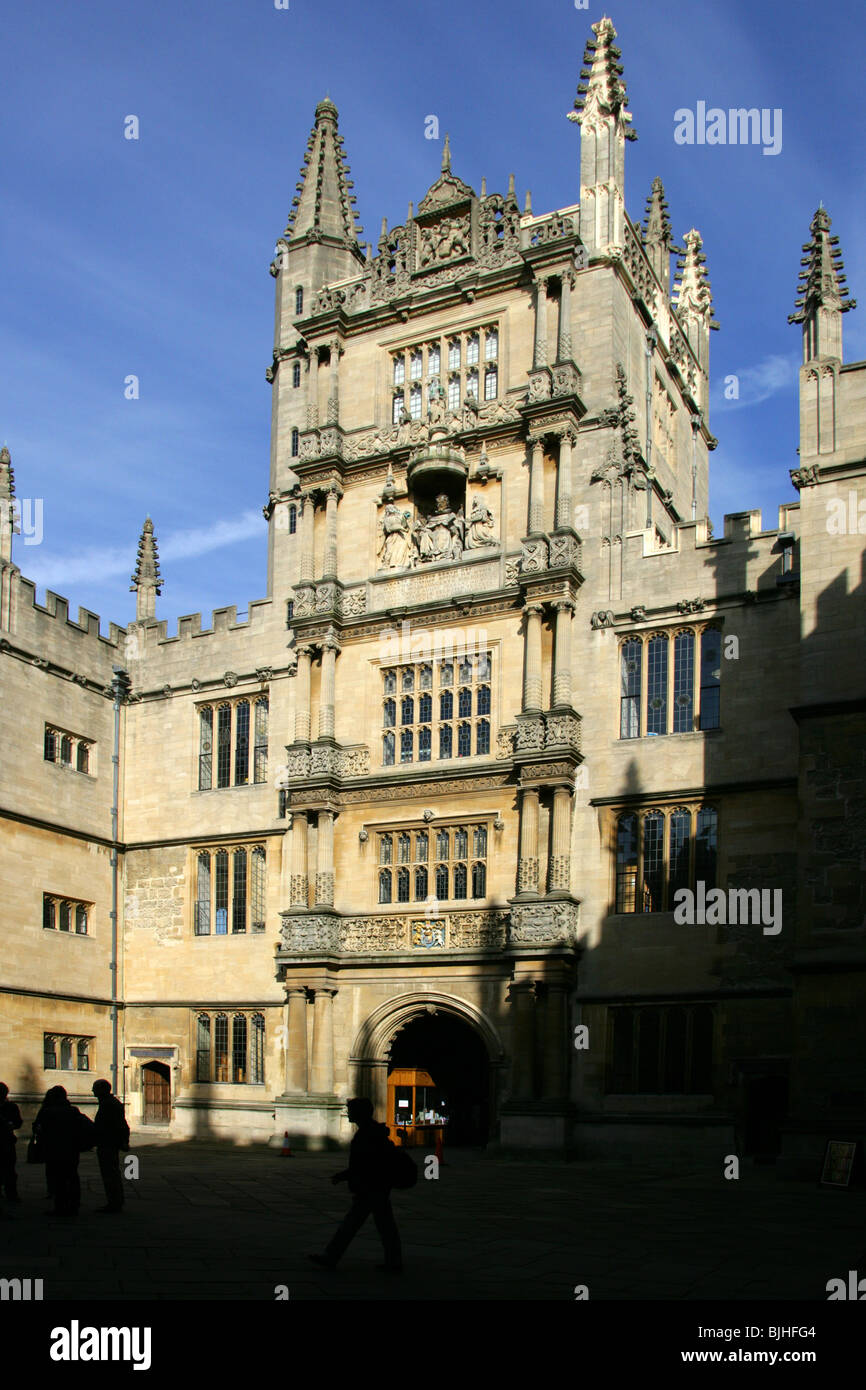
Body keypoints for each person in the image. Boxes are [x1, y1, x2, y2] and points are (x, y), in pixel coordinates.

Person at [309, 1097, 402, 1273]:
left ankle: (331, 1257)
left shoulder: (366, 1134)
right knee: (383, 1225)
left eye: (351, 1110)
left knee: (354, 1224)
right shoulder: (372, 1131)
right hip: (376, 1186)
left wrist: (344, 1176)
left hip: (370, 1187)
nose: (348, 1113)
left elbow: (364, 1164)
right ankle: (394, 1261)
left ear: (359, 1113)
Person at [34, 1085, 95, 1217]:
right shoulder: (73, 1110)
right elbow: (89, 1127)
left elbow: (38, 1128)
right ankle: (74, 1205)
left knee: (58, 1179)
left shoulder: (47, 1111)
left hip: (54, 1149)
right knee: (72, 1176)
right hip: (71, 1149)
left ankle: (60, 1207)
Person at [91, 1079, 130, 1214]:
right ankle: (116, 1201)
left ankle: (114, 1202)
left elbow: (109, 1126)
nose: (92, 1091)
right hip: (110, 1142)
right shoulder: (111, 1103)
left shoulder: (108, 1104)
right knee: (112, 1172)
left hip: (108, 1143)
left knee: (110, 1173)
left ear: (101, 1090)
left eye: (95, 1088)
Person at [0, 1082, 23, 1203]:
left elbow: (18, 1122)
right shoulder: (11, 1107)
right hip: (6, 1141)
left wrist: (11, 1124)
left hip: (6, 1142)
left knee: (9, 1170)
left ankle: (11, 1194)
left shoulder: (11, 1107)